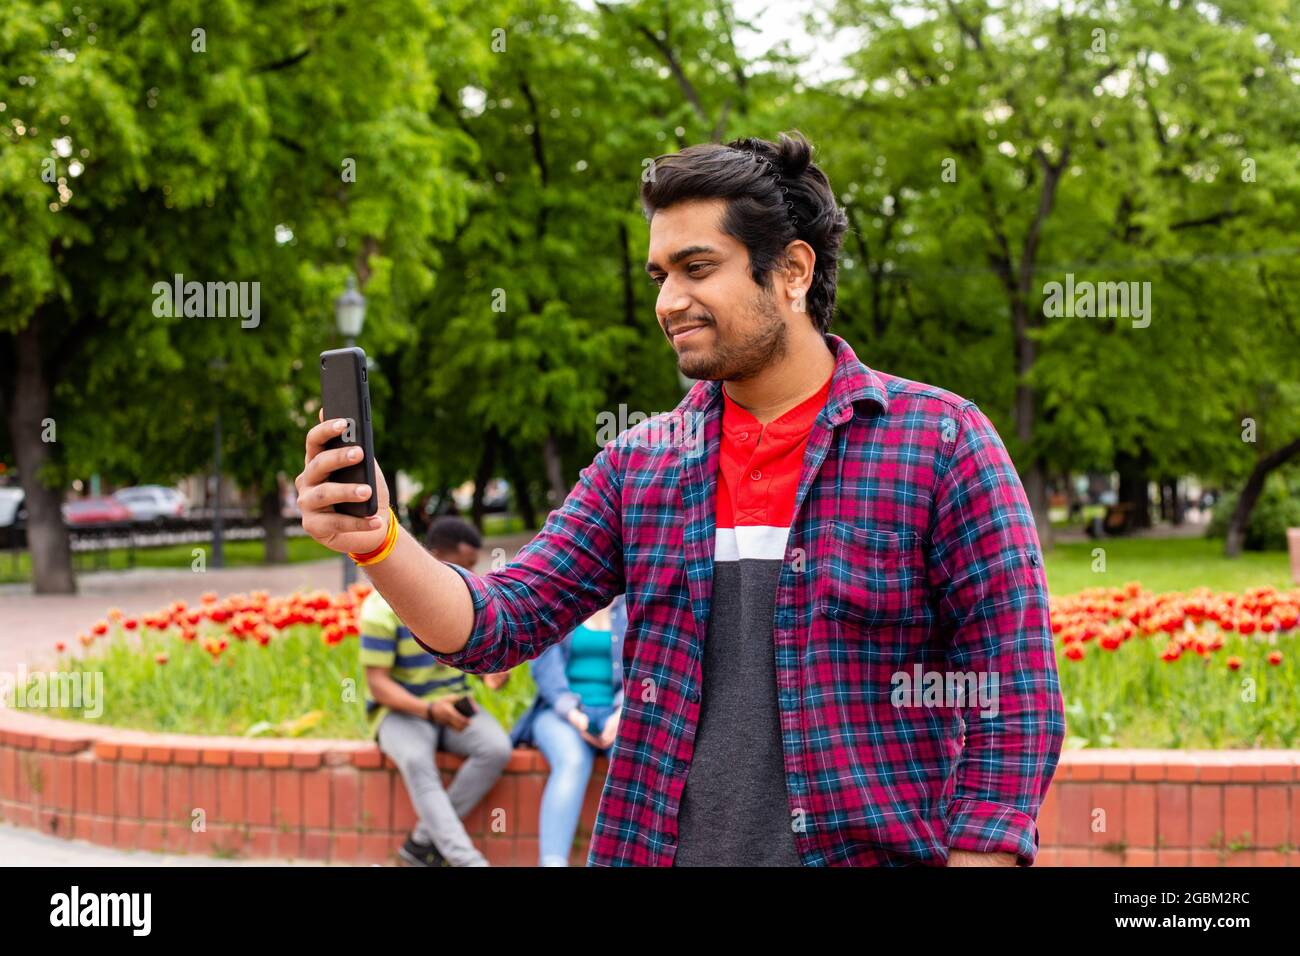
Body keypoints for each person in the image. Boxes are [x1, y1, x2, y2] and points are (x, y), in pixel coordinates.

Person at [299, 130, 1065, 867]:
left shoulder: (939, 443)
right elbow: (499, 623)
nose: (669, 301)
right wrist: (378, 539)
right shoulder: (641, 464)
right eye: (660, 275)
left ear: (792, 271)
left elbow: (1017, 692)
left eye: (697, 268)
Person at [358, 515, 512, 867]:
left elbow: (468, 658)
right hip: (401, 712)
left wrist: (488, 674)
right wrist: (428, 711)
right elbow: (378, 685)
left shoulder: (468, 603)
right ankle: (467, 860)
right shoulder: (380, 610)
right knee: (417, 761)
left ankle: (420, 845)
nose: (475, 574)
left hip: (454, 707)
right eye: (467, 564)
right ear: (438, 555)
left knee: (496, 749)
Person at [510, 596, 627, 866]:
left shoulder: (633, 606)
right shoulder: (562, 605)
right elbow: (544, 669)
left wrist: (622, 714)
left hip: (619, 713)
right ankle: (553, 862)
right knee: (573, 761)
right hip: (560, 714)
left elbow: (647, 667)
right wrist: (576, 717)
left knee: (627, 765)